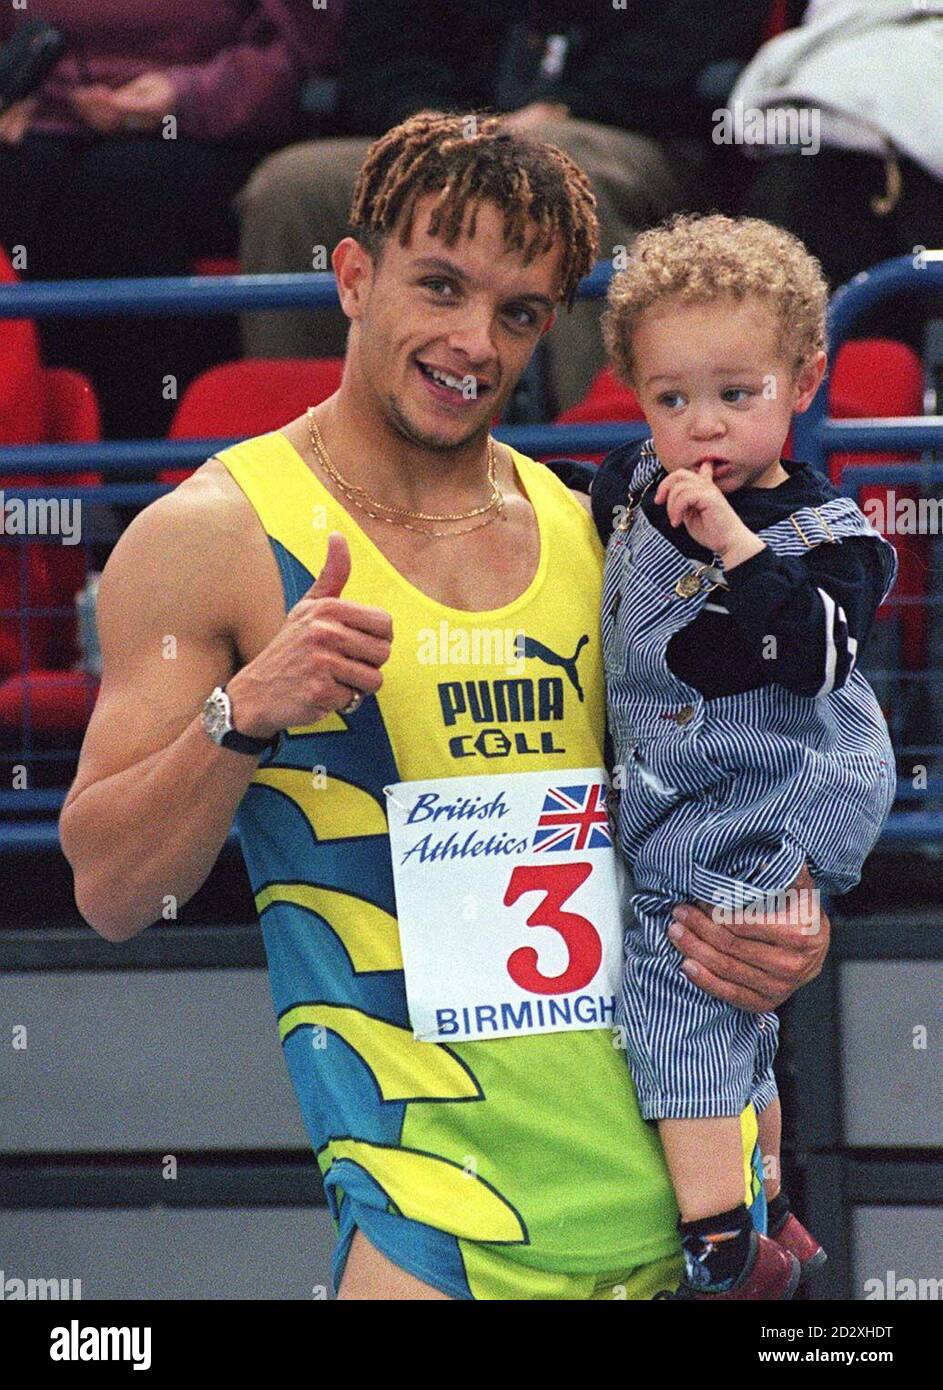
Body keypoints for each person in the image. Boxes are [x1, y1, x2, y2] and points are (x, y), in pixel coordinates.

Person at [59, 114, 830, 1301]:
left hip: (699, 1207)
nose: (475, 341)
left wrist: (786, 924)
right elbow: (112, 892)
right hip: (440, 1231)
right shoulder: (211, 538)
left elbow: (731, 786)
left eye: (519, 313)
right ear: (353, 275)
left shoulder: (600, 527)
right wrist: (245, 711)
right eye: (440, 287)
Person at [586, 213, 896, 1299]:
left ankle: (722, 1243)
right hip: (675, 790)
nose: (701, 424)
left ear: (802, 379)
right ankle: (775, 1207)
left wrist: (731, 539)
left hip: (775, 798)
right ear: (633, 391)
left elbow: (813, 655)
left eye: (736, 393)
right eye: (671, 399)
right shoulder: (629, 483)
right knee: (739, 1017)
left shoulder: (831, 532)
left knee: (679, 993)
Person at [237, 0, 768, 414]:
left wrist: (564, 110)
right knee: (295, 187)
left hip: (622, 130)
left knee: (561, 171)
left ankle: (601, 458)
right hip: (445, 134)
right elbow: (383, 54)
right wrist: (444, 128)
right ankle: (313, 452)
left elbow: (692, 40)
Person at [0, 1, 341, 439]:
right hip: (33, 133)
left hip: (203, 136)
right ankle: (34, 461)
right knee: (22, 182)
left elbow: (295, 56)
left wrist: (188, 94)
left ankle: (148, 470)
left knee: (127, 185)